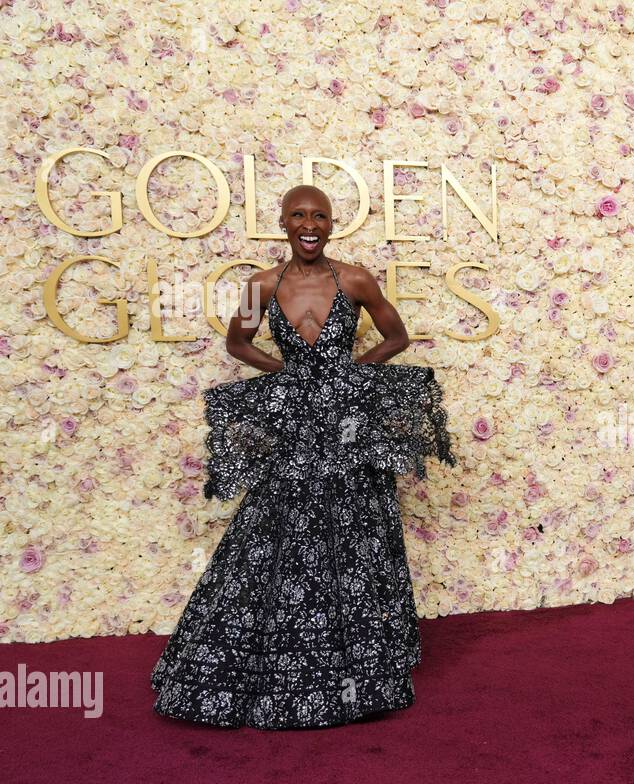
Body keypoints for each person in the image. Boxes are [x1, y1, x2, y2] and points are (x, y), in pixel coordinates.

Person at [151, 185, 457, 728]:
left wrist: (348, 375)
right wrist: (289, 377)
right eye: (298, 215)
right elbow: (237, 344)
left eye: (319, 216)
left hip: (345, 426)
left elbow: (397, 336)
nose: (309, 224)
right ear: (284, 223)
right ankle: (274, 658)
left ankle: (365, 660)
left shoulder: (357, 279)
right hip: (295, 423)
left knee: (359, 527)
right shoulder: (260, 284)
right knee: (277, 525)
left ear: (332, 224)